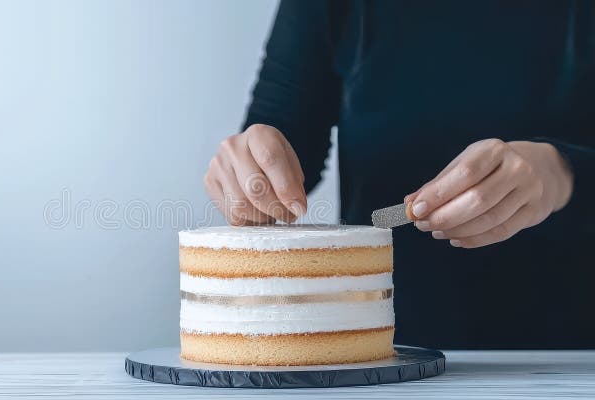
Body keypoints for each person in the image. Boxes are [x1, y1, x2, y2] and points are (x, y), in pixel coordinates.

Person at [204, 0, 594, 349]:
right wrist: (251, 175)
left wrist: (564, 172)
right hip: (372, 352)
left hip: (573, 357)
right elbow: (282, 138)